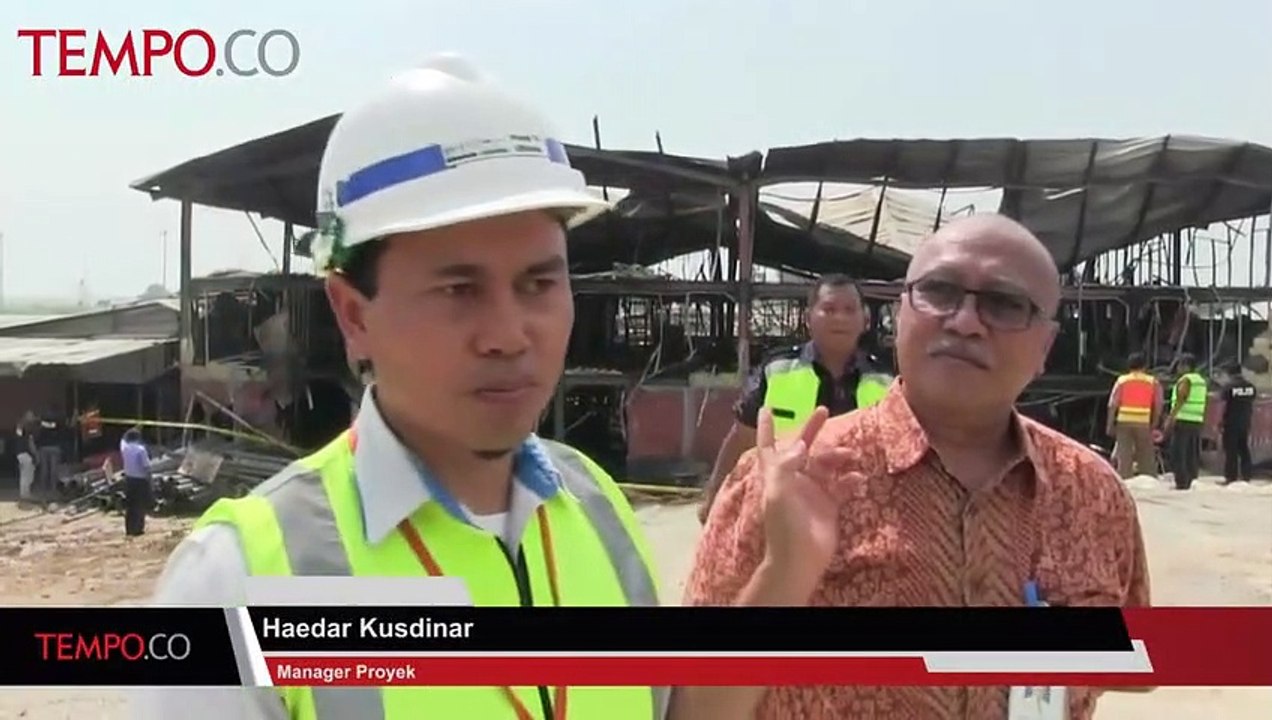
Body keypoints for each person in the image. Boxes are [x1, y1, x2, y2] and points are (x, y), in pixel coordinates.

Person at [134, 54, 664, 720]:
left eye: (539, 283)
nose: (508, 333)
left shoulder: (599, 514)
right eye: (458, 289)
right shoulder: (246, 580)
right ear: (354, 315)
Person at [671, 215, 1151, 720]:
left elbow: (1135, 667)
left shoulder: (1093, 494)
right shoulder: (786, 484)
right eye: (940, 291)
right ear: (900, 313)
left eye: (1005, 304)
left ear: (1045, 348)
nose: (965, 321)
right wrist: (785, 574)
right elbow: (690, 708)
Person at [697, 274, 892, 523]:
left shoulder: (886, 381)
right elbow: (741, 438)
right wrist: (714, 498)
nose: (840, 318)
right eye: (829, 309)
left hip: (859, 514)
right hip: (783, 510)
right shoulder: (777, 370)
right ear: (808, 317)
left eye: (849, 310)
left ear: (865, 320)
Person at [1107, 351, 1163, 478]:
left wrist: (1110, 424)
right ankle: (1149, 481)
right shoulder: (1152, 382)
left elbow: (1112, 404)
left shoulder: (1122, 381)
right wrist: (1154, 423)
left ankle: (1126, 482)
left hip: (1124, 422)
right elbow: (1158, 404)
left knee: (1124, 456)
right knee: (1146, 457)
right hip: (1143, 423)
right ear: (1145, 366)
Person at [1165, 353, 1208, 490]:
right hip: (1196, 420)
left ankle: (1182, 482)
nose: (1178, 368)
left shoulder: (1186, 380)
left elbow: (1181, 398)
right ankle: (1192, 478)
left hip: (1183, 420)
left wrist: (1170, 418)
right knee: (1192, 452)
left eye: (1180, 365)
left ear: (1186, 366)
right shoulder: (1201, 381)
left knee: (1179, 452)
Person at [1218, 361, 1256, 484]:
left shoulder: (1229, 387)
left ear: (1230, 373)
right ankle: (1247, 475)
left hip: (1230, 422)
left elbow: (1222, 403)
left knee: (1231, 450)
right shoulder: (1250, 386)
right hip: (1245, 422)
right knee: (1244, 449)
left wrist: (1220, 421)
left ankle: (1231, 477)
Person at [119, 428, 153, 536]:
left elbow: (122, 440)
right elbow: (146, 467)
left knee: (130, 505)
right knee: (140, 505)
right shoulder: (141, 450)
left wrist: (127, 433)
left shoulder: (125, 449)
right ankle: (138, 529)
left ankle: (129, 529)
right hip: (140, 480)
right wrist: (150, 480)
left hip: (129, 480)